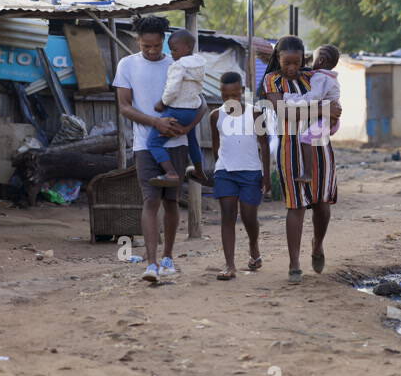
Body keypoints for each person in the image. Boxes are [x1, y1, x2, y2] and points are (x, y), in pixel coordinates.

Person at [113, 15, 206, 283]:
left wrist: (187, 130)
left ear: (164, 40)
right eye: (146, 47)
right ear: (138, 42)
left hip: (176, 143)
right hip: (145, 144)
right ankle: (151, 264)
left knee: (171, 201)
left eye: (156, 46)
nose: (152, 51)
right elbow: (124, 106)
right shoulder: (127, 65)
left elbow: (200, 104)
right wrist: (156, 122)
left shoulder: (179, 64)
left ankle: (168, 257)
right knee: (150, 201)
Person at [261, 36, 342, 284]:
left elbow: (335, 107)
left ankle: (317, 246)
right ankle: (294, 263)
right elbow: (283, 111)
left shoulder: (314, 76)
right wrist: (321, 109)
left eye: (297, 63)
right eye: (287, 63)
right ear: (278, 59)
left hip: (319, 144)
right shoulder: (271, 80)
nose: (292, 68)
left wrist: (326, 110)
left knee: (322, 203)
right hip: (290, 147)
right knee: (295, 205)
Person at [209, 71, 271, 280]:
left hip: (251, 171)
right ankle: (229, 265)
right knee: (227, 215)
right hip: (225, 171)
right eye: (226, 96)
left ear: (242, 92)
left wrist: (266, 176)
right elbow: (216, 144)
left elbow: (264, 145)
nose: (230, 100)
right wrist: (217, 167)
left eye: (235, 95)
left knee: (249, 216)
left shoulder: (255, 114)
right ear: (221, 94)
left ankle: (254, 246)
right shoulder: (216, 116)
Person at [147, 29, 208, 187]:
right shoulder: (199, 64)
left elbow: (172, 89)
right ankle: (199, 170)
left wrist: (162, 103)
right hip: (192, 111)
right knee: (192, 139)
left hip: (176, 110)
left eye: (174, 49)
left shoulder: (178, 66)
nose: (172, 53)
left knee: (153, 142)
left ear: (187, 48)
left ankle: (170, 173)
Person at [283, 45, 341, 184]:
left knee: (306, 138)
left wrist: (290, 98)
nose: (310, 63)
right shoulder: (327, 76)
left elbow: (313, 97)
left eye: (313, 59)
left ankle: (308, 173)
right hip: (329, 118)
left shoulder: (321, 77)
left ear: (320, 60)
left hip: (328, 119)